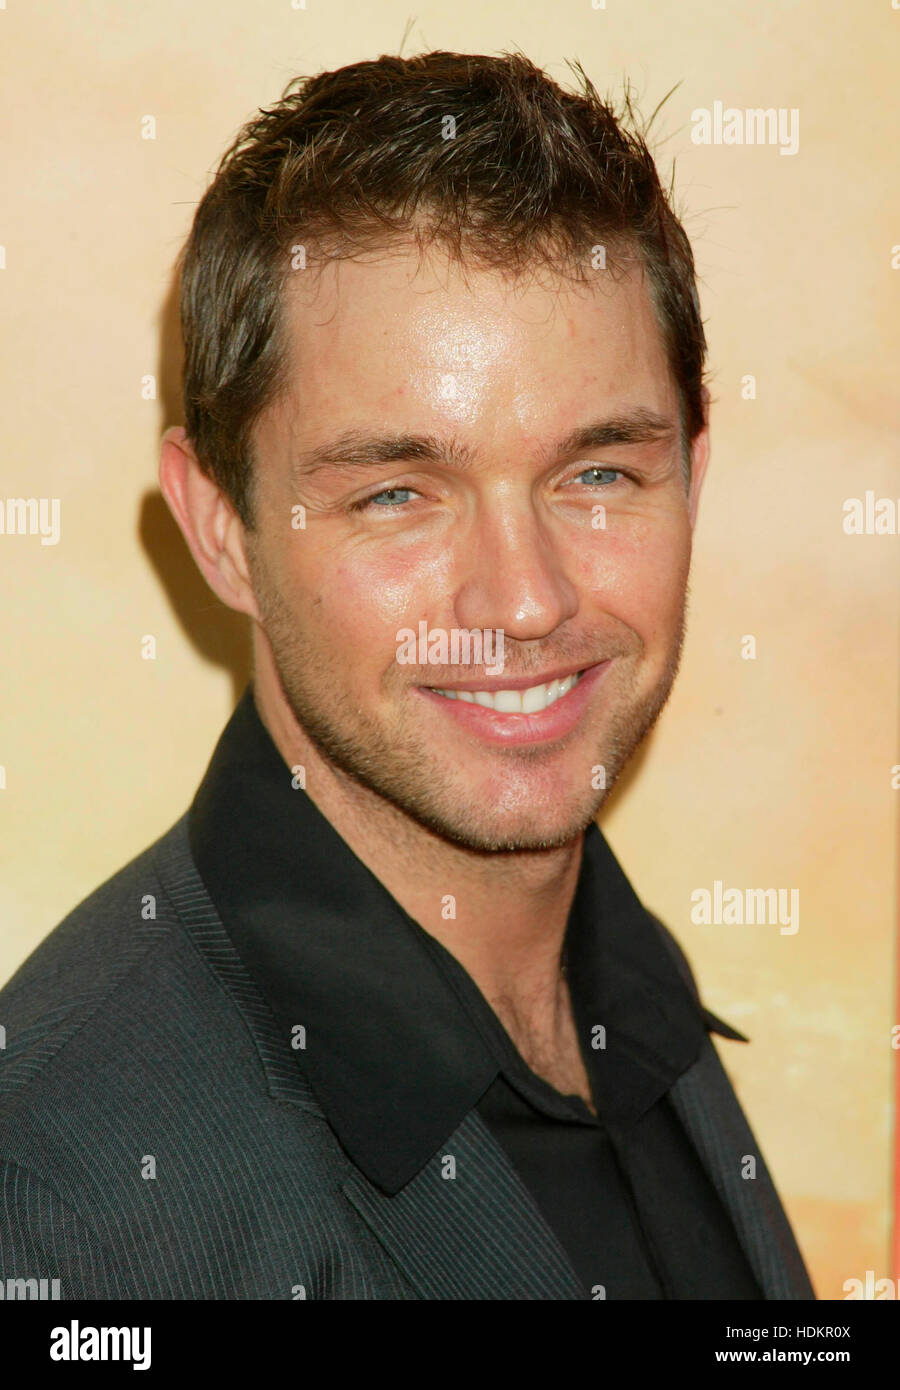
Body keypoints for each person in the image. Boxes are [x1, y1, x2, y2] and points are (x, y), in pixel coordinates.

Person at [0, 50, 814, 1300]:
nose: (527, 598)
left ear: (692, 475)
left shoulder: (632, 999)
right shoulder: (58, 1198)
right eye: (397, 493)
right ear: (223, 530)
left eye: (597, 473)